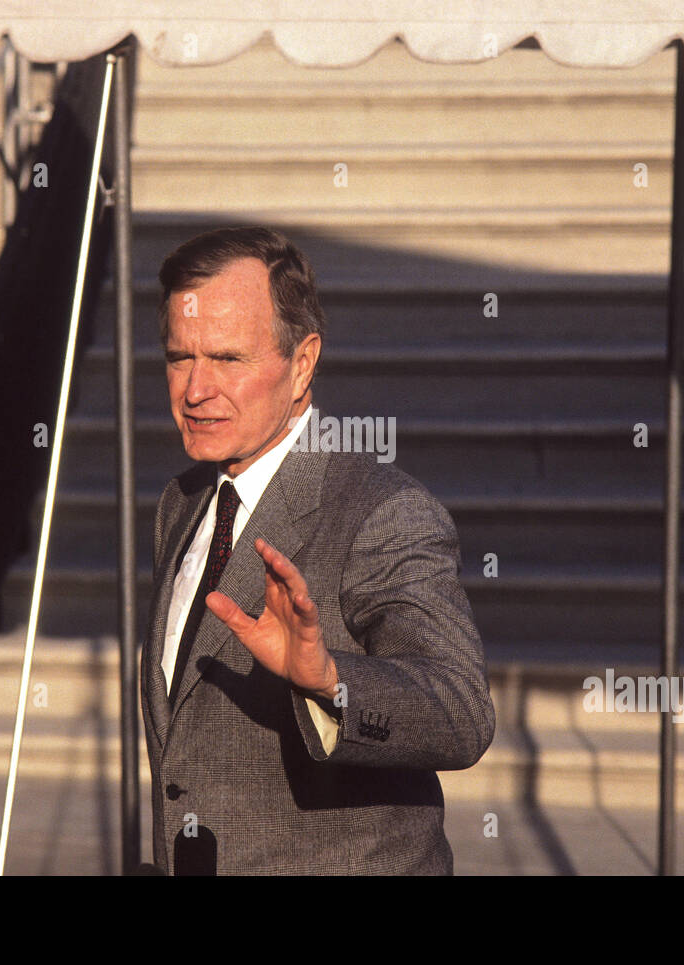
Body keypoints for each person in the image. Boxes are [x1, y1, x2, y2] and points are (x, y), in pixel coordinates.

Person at [141, 226, 495, 875]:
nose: (194, 390)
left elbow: (461, 710)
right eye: (177, 357)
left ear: (302, 363)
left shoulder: (382, 512)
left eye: (226, 359)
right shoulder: (183, 501)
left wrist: (328, 680)